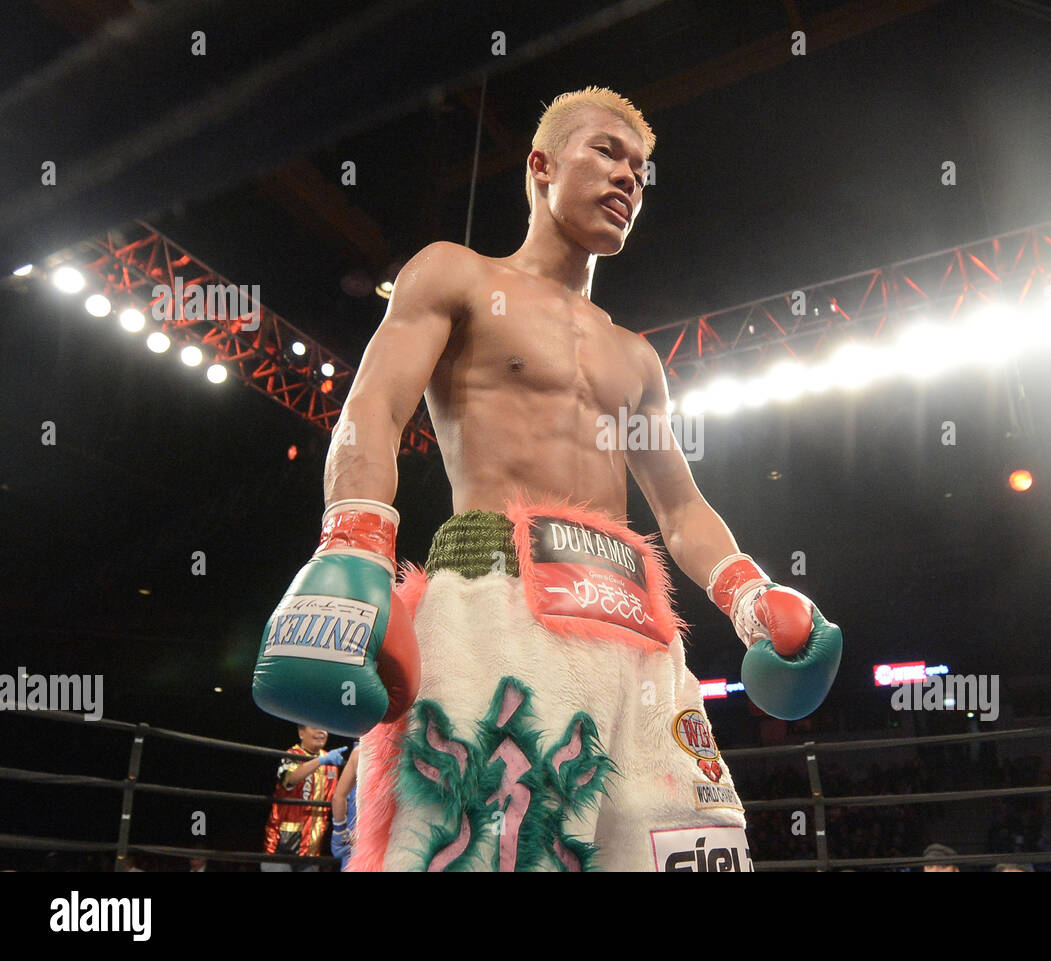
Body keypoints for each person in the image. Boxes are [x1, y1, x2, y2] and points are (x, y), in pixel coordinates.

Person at [253, 86, 842, 872]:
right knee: (488, 852)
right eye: (607, 151)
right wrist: (354, 535)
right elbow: (374, 409)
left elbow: (679, 507)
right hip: (498, 594)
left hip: (635, 619)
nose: (631, 177)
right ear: (540, 165)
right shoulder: (454, 275)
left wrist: (747, 593)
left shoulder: (634, 356)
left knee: (686, 849)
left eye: (641, 167)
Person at [260, 725, 346, 872]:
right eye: (315, 727)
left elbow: (338, 797)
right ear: (301, 733)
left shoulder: (331, 762)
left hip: (312, 847)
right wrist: (320, 761)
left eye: (324, 728)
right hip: (281, 847)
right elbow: (290, 779)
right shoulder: (291, 755)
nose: (321, 732)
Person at [330, 741, 360, 871]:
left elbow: (338, 797)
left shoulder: (359, 753)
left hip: (360, 838)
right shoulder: (409, 754)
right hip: (397, 838)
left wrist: (340, 831)